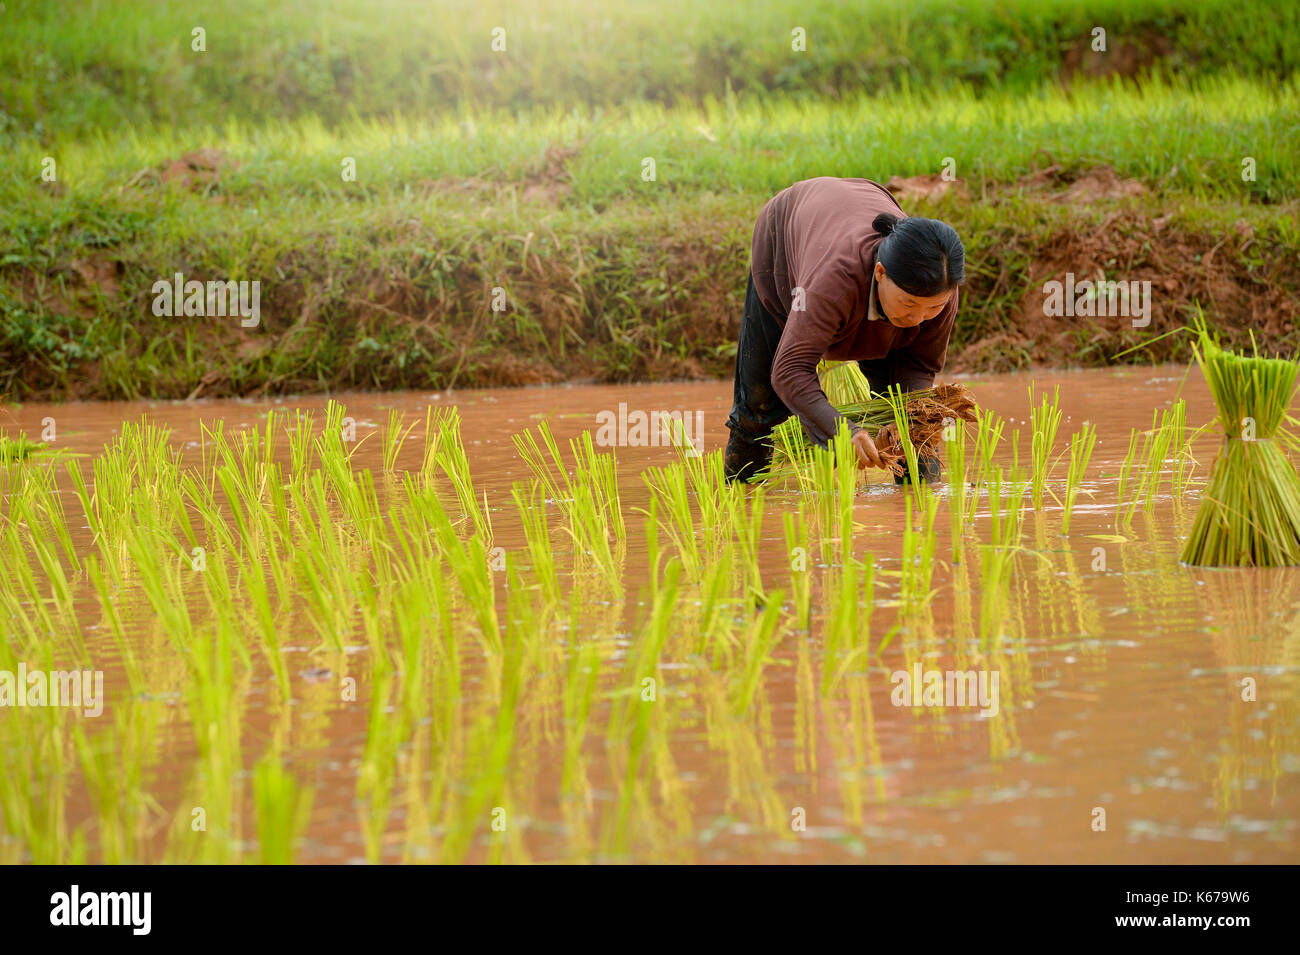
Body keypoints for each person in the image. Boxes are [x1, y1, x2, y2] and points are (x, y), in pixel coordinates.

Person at [724, 176, 966, 483]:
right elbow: (789, 371)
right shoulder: (831, 284)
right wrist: (845, 432)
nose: (919, 319)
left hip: (850, 221)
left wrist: (905, 420)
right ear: (880, 273)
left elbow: (918, 367)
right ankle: (740, 504)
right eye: (908, 303)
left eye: (933, 308)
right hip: (784, 241)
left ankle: (919, 518)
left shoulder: (940, 288)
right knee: (758, 413)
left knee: (913, 435)